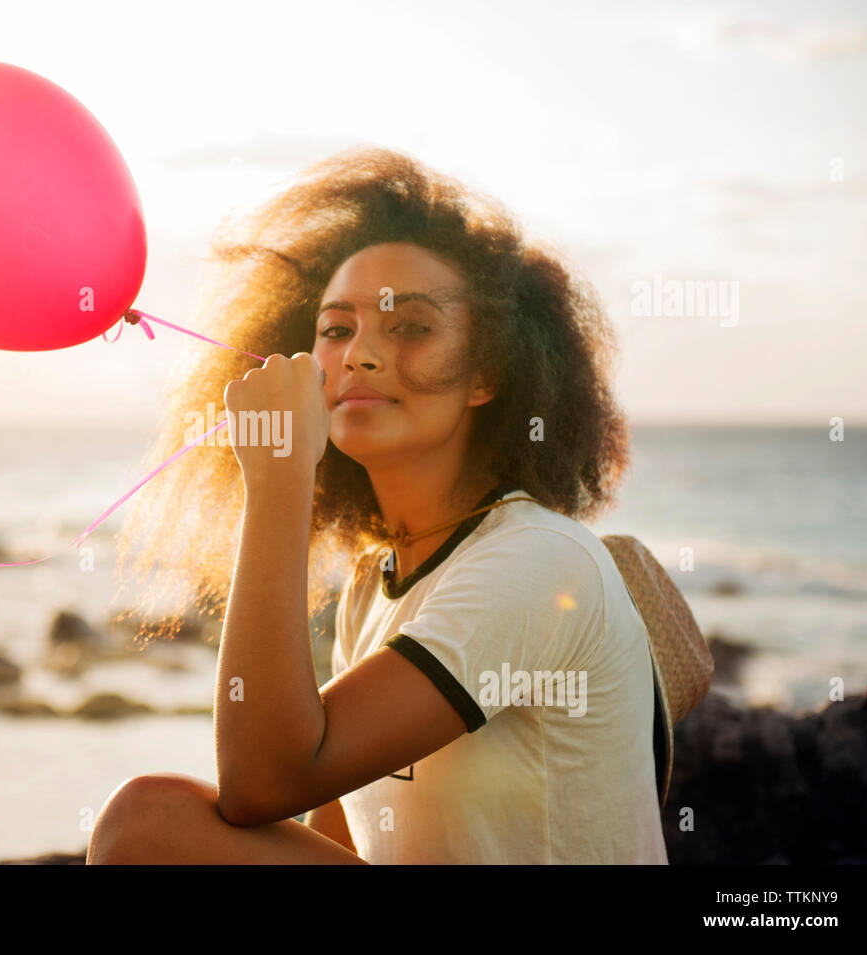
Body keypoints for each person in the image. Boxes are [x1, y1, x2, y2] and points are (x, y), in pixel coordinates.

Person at [86, 147, 665, 864]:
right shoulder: (372, 586)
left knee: (149, 824)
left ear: (486, 374)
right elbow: (321, 835)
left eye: (411, 327)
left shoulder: (537, 558)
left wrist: (279, 480)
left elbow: (261, 782)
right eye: (336, 329)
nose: (359, 354)